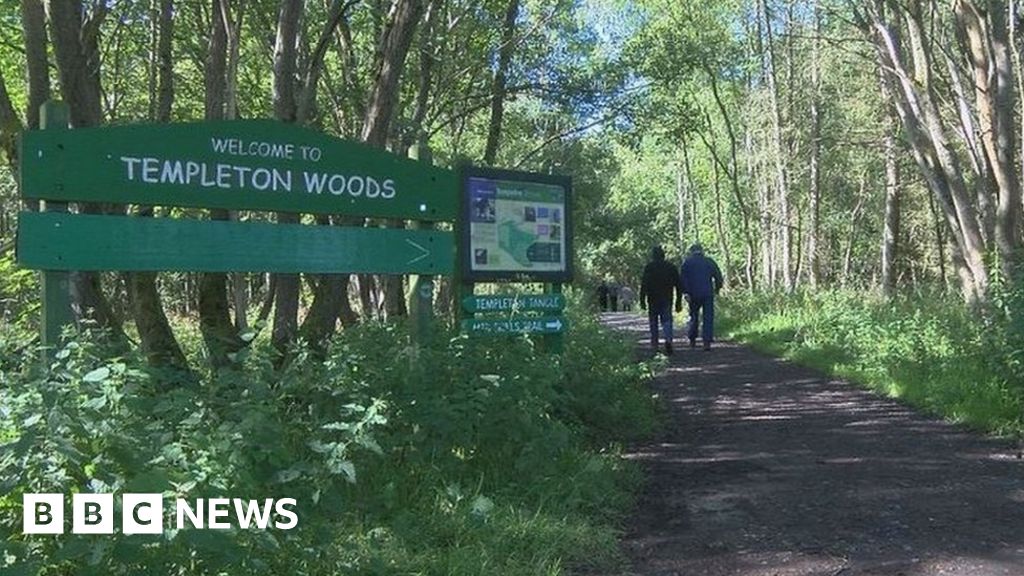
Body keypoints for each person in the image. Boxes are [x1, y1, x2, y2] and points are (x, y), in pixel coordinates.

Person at [641, 245, 683, 355]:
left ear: (653, 256)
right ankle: (668, 341)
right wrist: (678, 302)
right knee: (667, 321)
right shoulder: (671, 267)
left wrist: (642, 299)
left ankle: (654, 345)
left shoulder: (649, 267)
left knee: (653, 322)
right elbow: (678, 286)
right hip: (667, 299)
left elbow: (644, 284)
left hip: (652, 299)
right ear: (663, 255)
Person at [680, 243, 724, 350]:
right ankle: (707, 342)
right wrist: (717, 289)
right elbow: (718, 276)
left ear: (691, 251)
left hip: (693, 294)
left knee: (694, 316)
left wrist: (685, 292)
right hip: (707, 293)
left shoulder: (687, 263)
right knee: (708, 317)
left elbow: (682, 279)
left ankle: (692, 339)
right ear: (702, 251)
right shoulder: (709, 261)